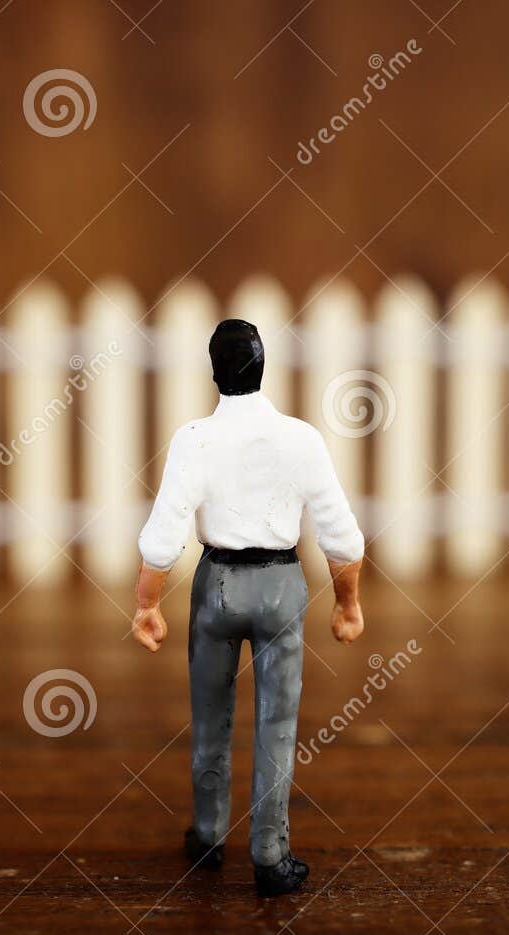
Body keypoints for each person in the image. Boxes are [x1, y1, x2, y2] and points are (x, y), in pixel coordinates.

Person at [131, 318, 365, 896]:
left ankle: (209, 834)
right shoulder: (301, 438)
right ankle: (270, 852)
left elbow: (165, 532)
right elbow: (340, 536)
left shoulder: (193, 438)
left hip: (216, 585)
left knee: (209, 714)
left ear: (214, 371)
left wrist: (147, 603)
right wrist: (347, 603)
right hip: (281, 586)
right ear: (264, 368)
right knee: (276, 724)